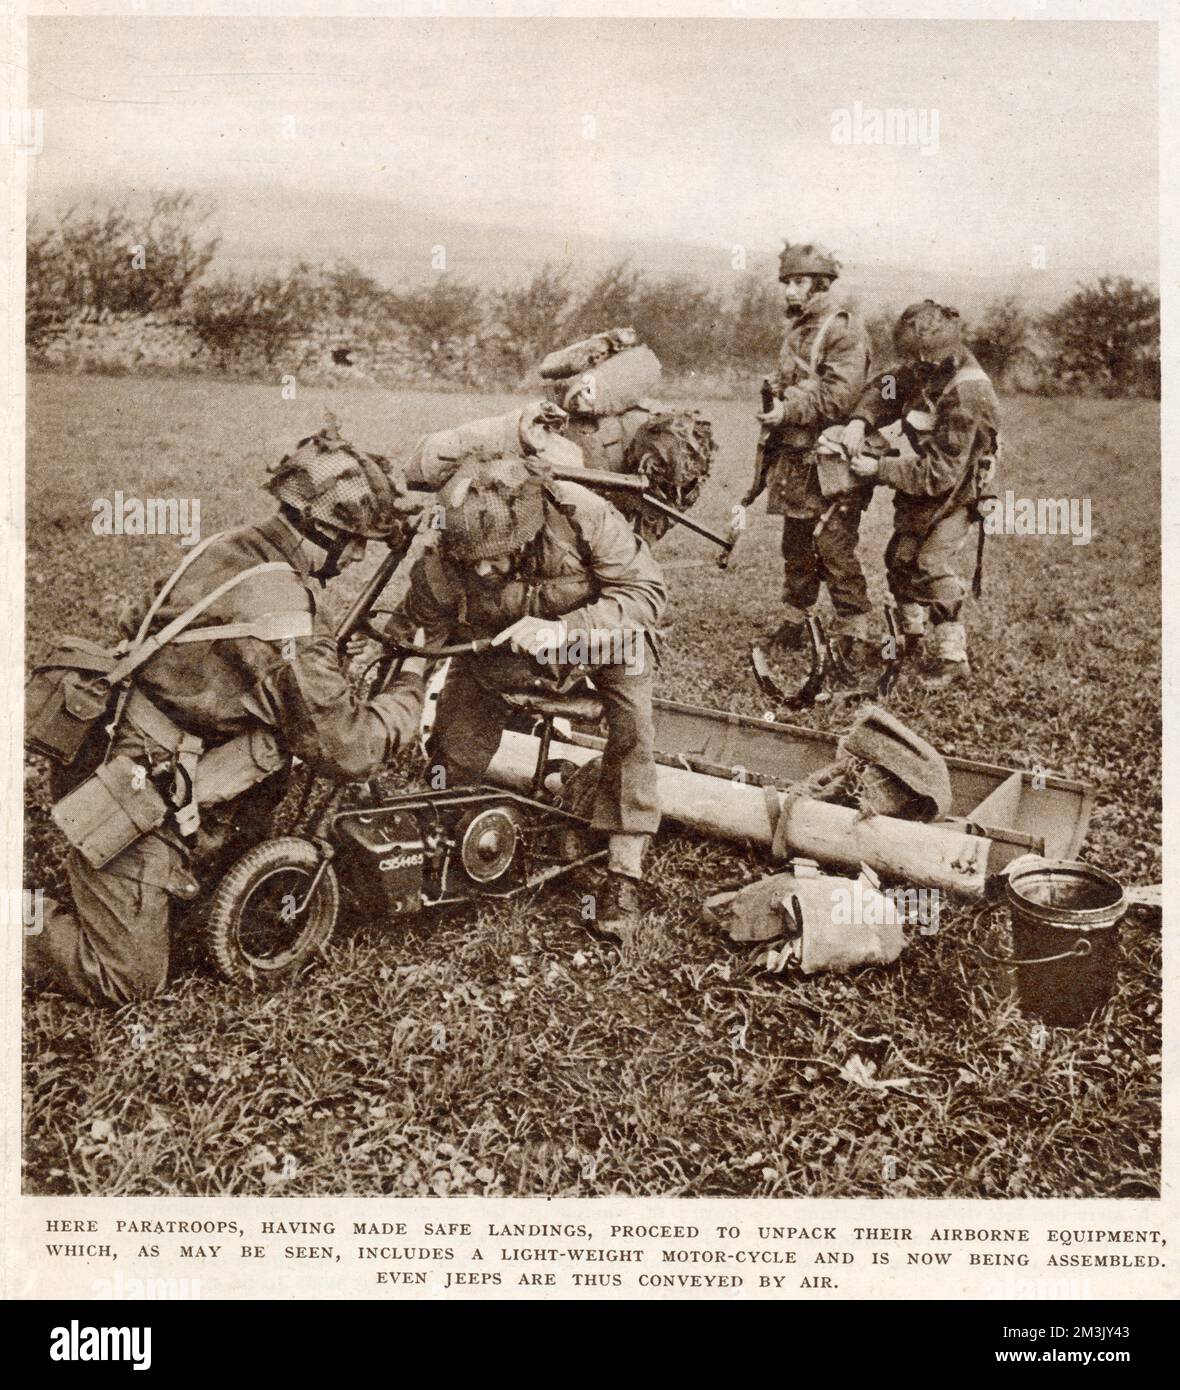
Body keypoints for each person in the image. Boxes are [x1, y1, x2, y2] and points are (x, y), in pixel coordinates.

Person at [25, 427, 428, 1005]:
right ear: (324, 531)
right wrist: (410, 686)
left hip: (109, 742)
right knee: (128, 978)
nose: (361, 555)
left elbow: (157, 622)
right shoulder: (289, 616)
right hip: (134, 794)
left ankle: (180, 863)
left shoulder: (228, 547)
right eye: (356, 540)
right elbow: (350, 749)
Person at [386, 454, 667, 941]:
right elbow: (416, 630)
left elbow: (646, 595)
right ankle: (439, 833)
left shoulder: (584, 516)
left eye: (495, 556)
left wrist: (567, 630)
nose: (484, 569)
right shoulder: (445, 551)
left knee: (633, 730)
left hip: (602, 646)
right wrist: (395, 699)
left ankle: (624, 872)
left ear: (527, 533)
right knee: (453, 750)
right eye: (471, 560)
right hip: (499, 655)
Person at [841, 299, 1001, 689]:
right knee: (899, 559)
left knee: (930, 565)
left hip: (958, 495)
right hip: (923, 490)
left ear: (935, 355)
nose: (910, 368)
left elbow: (940, 474)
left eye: (917, 361)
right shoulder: (924, 370)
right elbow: (886, 386)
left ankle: (951, 657)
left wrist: (878, 469)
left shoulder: (967, 394)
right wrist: (860, 421)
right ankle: (911, 636)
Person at [753, 240, 874, 668]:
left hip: (830, 463)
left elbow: (839, 395)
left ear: (821, 284)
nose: (789, 290)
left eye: (799, 281)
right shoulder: (801, 329)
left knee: (835, 547)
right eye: (786, 281)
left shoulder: (841, 329)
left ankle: (854, 633)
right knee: (797, 545)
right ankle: (795, 620)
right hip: (796, 457)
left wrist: (787, 407)